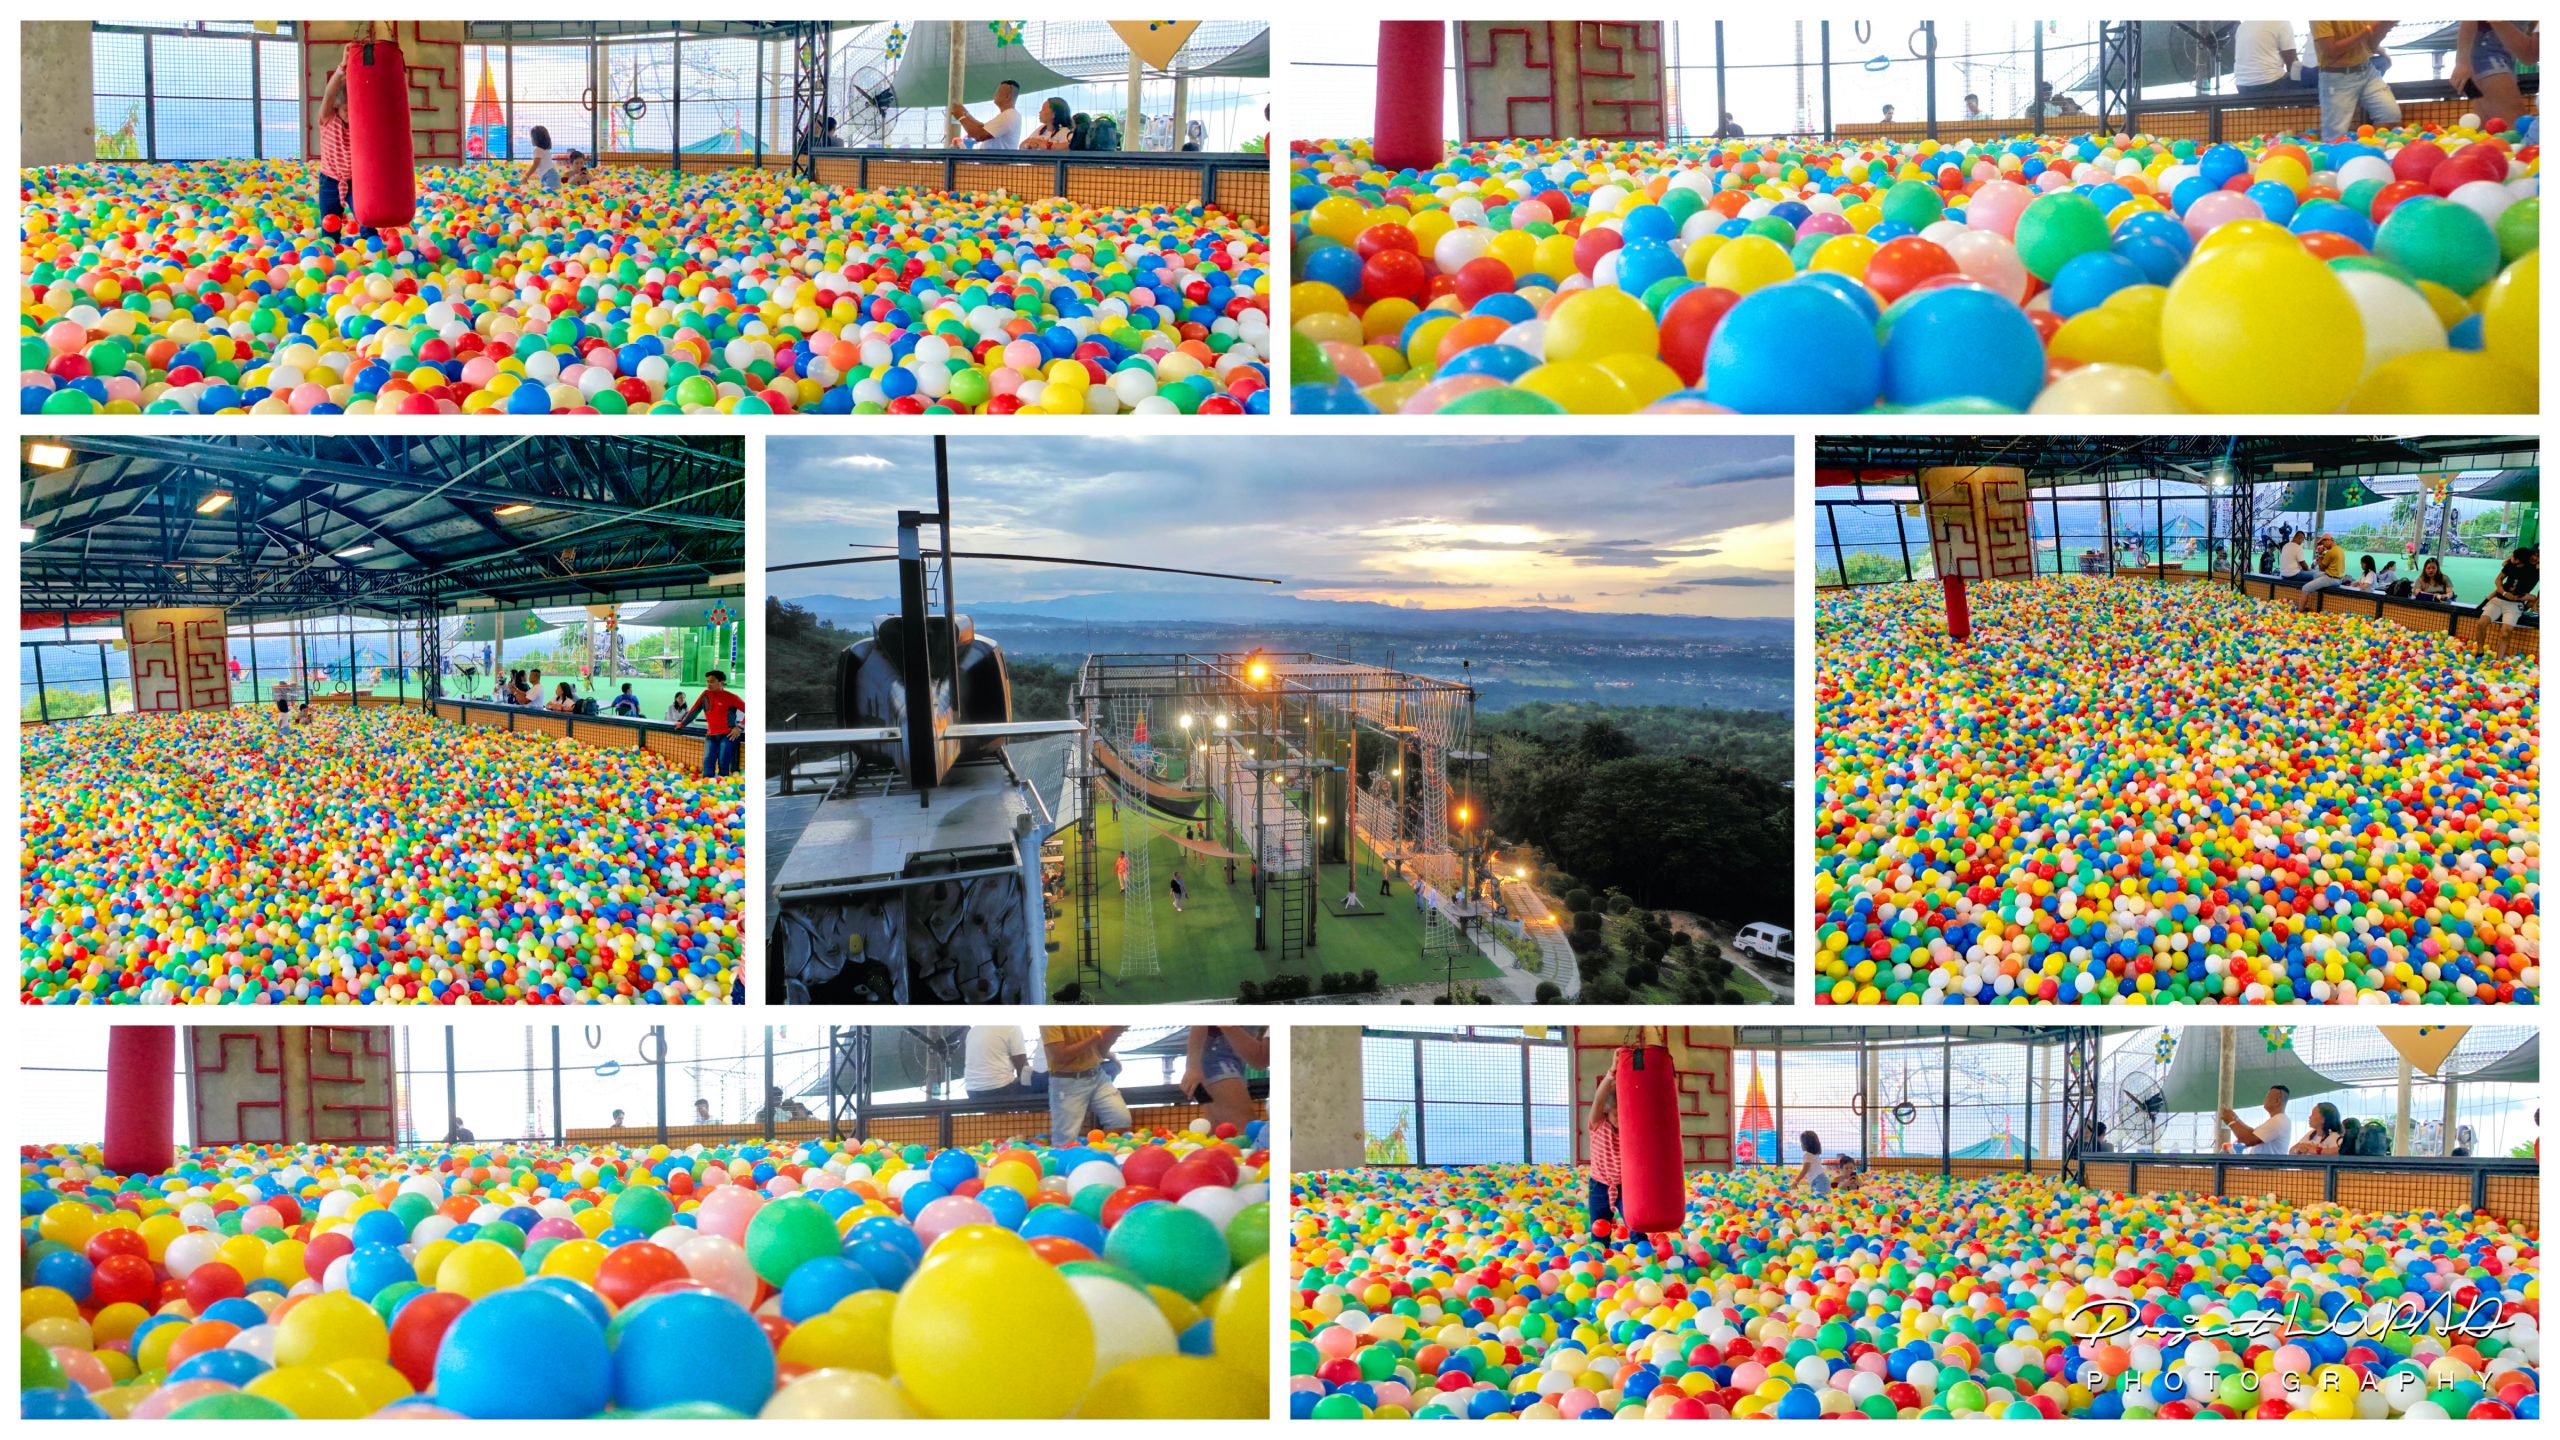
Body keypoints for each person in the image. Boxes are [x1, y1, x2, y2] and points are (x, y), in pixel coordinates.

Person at [2311, 22, 2402, 138]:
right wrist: (2369, 29)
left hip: (2366, 69)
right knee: (2335, 134)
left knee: (2390, 116)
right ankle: (2346, 148)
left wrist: (2383, 27)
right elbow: (2331, 51)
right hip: (2337, 76)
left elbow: (2371, 46)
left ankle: (2369, 146)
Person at [1041, 1025, 1132, 1142]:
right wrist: (1100, 1034)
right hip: (1068, 1081)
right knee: (1065, 1138)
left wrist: (1112, 1033)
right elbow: (1060, 1056)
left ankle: (1101, 1151)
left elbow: (1101, 1052)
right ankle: (1073, 1153)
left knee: (1120, 1121)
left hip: (1097, 1074)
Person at [313, 63, 370, 237]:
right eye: (346, 109)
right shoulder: (328, 119)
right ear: (337, 106)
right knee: (330, 226)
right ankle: (330, 250)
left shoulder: (361, 125)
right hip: (329, 180)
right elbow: (329, 95)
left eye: (354, 109)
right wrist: (340, 70)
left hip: (356, 181)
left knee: (367, 220)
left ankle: (374, 249)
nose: (350, 114)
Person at [1180, 1025, 1267, 1133]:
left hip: (1225, 1064)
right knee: (1246, 1130)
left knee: (1215, 1132)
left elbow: (1259, 1059)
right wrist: (1193, 1067)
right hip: (1214, 1064)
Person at [2452, 23, 2539, 125]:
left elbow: (2529, 55)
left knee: (2487, 125)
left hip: (2493, 60)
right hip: (2484, 60)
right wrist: (2462, 62)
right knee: (2515, 125)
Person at [676, 669, 745, 777]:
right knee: (708, 762)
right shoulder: (705, 695)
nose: (708, 684)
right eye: (707, 681)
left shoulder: (731, 697)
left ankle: (724, 783)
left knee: (723, 761)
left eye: (712, 681)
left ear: (721, 682)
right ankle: (708, 783)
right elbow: (694, 711)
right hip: (711, 735)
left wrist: (740, 727)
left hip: (728, 735)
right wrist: (682, 724)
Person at [2476, 543, 2538, 656]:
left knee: (2506, 632)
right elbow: (2498, 579)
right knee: (2481, 624)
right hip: (2498, 600)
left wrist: (2533, 601)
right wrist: (2504, 592)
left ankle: (2499, 660)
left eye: (2538, 556)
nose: (2535, 558)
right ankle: (2480, 651)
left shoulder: (2536, 569)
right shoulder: (2513, 564)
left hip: (2515, 604)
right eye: (2534, 554)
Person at [1584, 1065, 1623, 1227]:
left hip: (1626, 1185)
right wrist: (1611, 1073)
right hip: (1599, 1185)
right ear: (1607, 1111)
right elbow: (1599, 1100)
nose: (1620, 1119)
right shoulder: (1598, 1124)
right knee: (1600, 1229)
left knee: (1636, 1227)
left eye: (1624, 1115)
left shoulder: (1631, 1131)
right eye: (1616, 1114)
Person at [2234, 21, 2309, 95]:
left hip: (2241, 85)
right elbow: (2292, 63)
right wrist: (2302, 83)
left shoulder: (2243, 25)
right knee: (2305, 79)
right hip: (2270, 84)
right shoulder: (2281, 22)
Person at [966, 1025, 1039, 1099]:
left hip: (971, 1091)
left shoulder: (974, 1030)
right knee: (1036, 1082)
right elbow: (1022, 1068)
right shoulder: (1012, 1027)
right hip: (1000, 1089)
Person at [2219, 1084, 2294, 1154]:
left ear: (2277, 1101)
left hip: (2265, 1164)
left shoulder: (2278, 1121)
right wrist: (2236, 1119)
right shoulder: (2279, 1120)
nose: (2265, 1099)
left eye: (2268, 1097)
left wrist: (2231, 1122)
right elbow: (2252, 1133)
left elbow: (2247, 1140)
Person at [950, 79, 1025, 149]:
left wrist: (961, 117)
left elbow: (979, 135)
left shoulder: (1009, 116)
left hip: (995, 159)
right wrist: (966, 114)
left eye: (998, 92)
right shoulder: (1009, 114)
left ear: (1007, 97)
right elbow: (982, 127)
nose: (995, 94)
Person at [2297, 535, 2347, 610]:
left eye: (2323, 543)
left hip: (2331, 579)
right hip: (2339, 579)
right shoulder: (2340, 549)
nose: (2323, 546)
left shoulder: (2331, 552)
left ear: (2328, 540)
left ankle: (2300, 610)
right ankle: (2315, 585)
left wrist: (2320, 553)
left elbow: (2322, 568)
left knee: (2305, 588)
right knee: (2315, 574)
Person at [521, 124, 562, 192]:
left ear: (536, 139)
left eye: (532, 138)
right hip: (551, 176)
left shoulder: (538, 150)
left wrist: (526, 176)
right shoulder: (545, 150)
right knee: (550, 194)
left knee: (549, 194)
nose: (531, 140)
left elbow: (535, 165)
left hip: (549, 177)